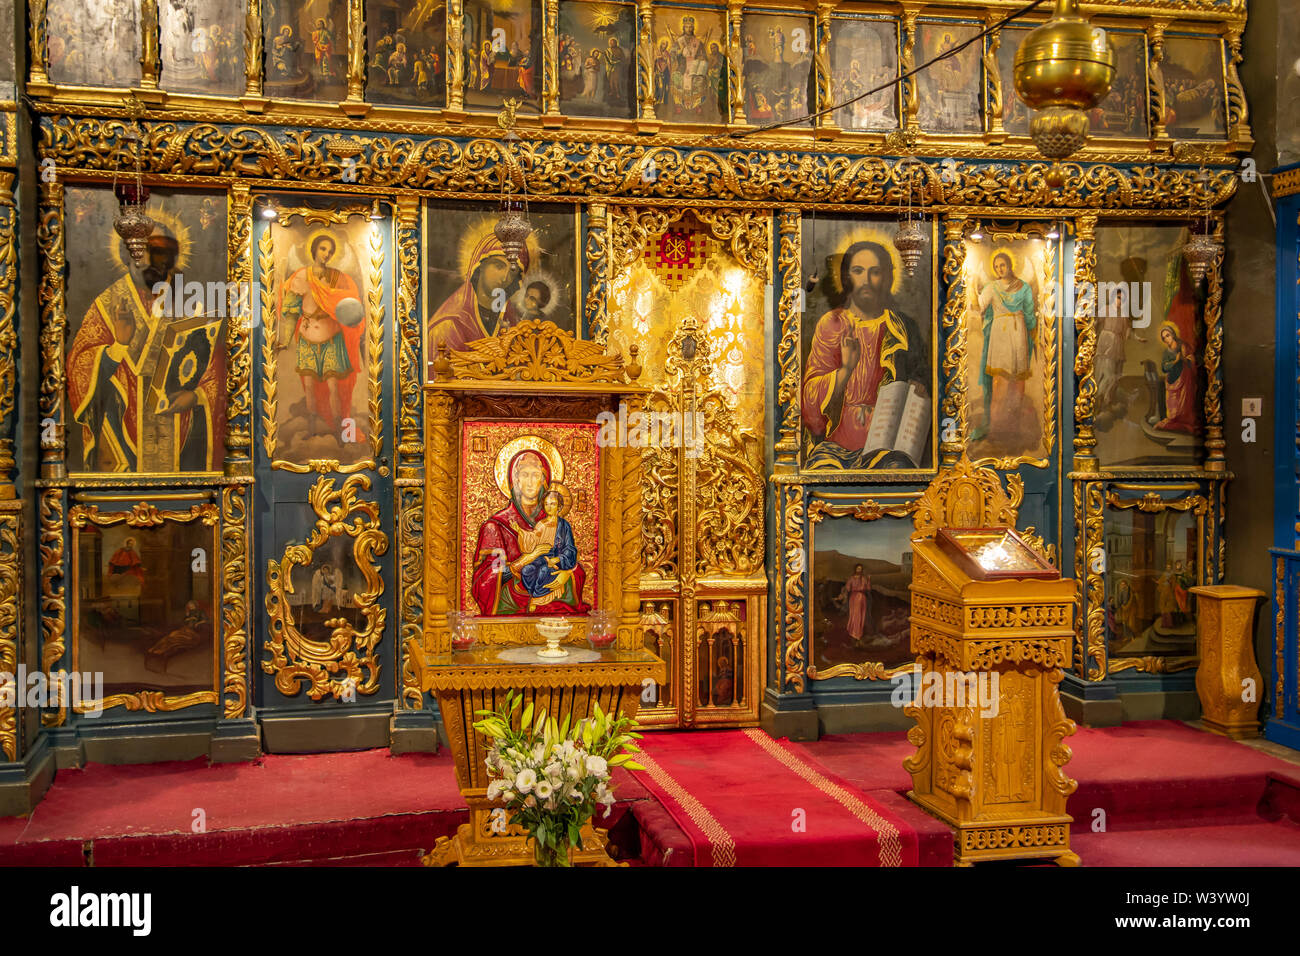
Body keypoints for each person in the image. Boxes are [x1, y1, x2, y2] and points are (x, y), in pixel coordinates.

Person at [67, 230, 225, 472]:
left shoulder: (191, 302)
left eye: (165, 263)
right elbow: (80, 366)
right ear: (132, 258)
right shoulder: (109, 304)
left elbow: (214, 367)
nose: (158, 270)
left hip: (181, 426)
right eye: (152, 263)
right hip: (122, 428)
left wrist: (196, 396)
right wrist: (119, 345)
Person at [801, 240, 930, 468]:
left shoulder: (904, 328)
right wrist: (845, 370)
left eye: (875, 272)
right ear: (846, 277)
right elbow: (809, 402)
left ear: (888, 278)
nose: (867, 281)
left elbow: (923, 380)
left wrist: (918, 388)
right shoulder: (832, 324)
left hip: (887, 446)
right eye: (858, 271)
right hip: (836, 445)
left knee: (897, 470)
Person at [471, 450, 588, 615]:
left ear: (543, 480)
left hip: (555, 612)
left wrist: (567, 574)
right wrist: (524, 560)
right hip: (512, 608)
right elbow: (483, 584)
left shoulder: (559, 524)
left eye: (535, 475)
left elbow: (574, 562)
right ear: (515, 480)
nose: (530, 482)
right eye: (525, 475)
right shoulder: (496, 526)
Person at [278, 233, 364, 437]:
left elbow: (350, 305)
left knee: (334, 386)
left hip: (332, 338)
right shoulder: (300, 276)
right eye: (323, 249)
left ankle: (337, 430)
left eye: (330, 251)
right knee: (309, 386)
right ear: (314, 249)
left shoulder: (337, 278)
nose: (326, 254)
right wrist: (286, 340)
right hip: (307, 338)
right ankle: (312, 429)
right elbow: (291, 311)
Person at [973, 251, 1037, 443]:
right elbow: (980, 306)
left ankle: (1014, 429)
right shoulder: (992, 287)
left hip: (1018, 335)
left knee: (1017, 381)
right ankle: (997, 429)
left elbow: (1029, 312)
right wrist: (970, 288)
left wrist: (1033, 333)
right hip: (999, 336)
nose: (1000, 269)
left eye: (1003, 265)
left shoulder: (1023, 287)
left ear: (1010, 265)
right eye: (997, 266)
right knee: (999, 381)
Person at [428, 232, 528, 352]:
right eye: (498, 266)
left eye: (512, 272)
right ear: (480, 266)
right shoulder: (449, 327)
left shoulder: (511, 321)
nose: (504, 278)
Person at [519, 486, 584, 612]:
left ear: (559, 507)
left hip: (556, 561)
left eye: (553, 504)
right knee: (527, 570)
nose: (549, 507)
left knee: (544, 571)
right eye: (547, 504)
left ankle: (537, 598)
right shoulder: (541, 524)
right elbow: (533, 540)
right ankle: (536, 592)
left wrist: (557, 559)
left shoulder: (564, 526)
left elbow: (570, 549)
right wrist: (521, 532)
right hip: (541, 557)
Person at [1155, 321, 1198, 434]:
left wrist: (1184, 359)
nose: (1166, 339)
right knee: (1172, 408)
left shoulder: (1183, 346)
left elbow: (1192, 359)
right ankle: (1173, 420)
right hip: (1172, 380)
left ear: (1173, 334)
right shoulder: (1166, 352)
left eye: (1167, 335)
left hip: (1184, 379)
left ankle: (1184, 422)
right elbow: (1164, 367)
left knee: (1184, 406)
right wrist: (1174, 362)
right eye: (1164, 338)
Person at [837, 564, 872, 648]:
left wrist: (869, 580)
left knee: (861, 616)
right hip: (855, 598)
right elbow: (848, 588)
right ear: (855, 569)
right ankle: (855, 634)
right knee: (855, 615)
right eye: (858, 569)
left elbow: (868, 588)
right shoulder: (851, 578)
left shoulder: (863, 578)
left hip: (862, 598)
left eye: (860, 569)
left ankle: (858, 634)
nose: (859, 570)